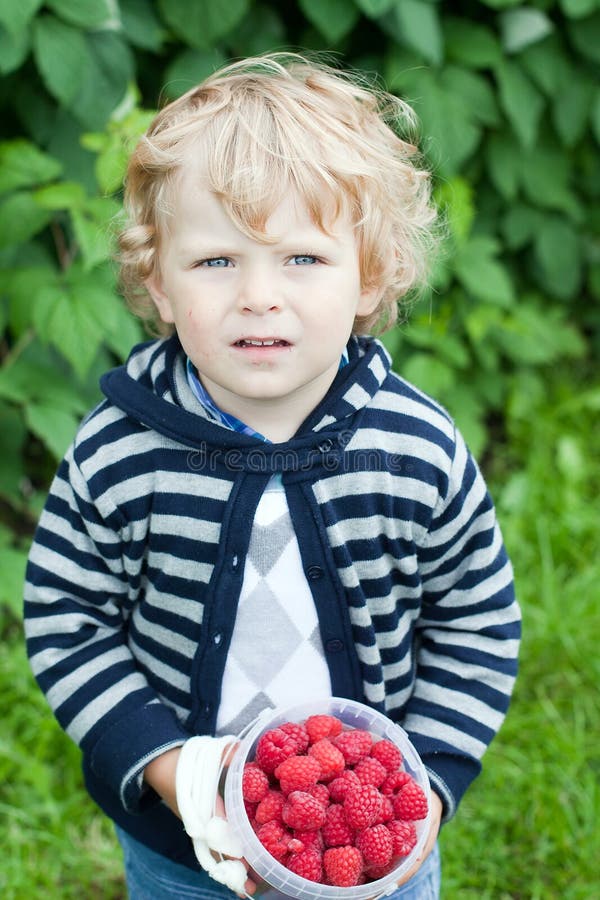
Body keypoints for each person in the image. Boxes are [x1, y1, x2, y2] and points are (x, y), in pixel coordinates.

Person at [24, 53, 521, 900]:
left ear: (370, 274)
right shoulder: (120, 452)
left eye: (301, 259)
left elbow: (476, 624)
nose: (259, 295)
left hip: (374, 853)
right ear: (160, 283)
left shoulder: (417, 451)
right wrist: (166, 769)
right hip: (183, 846)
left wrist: (423, 784)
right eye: (216, 262)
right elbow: (66, 618)